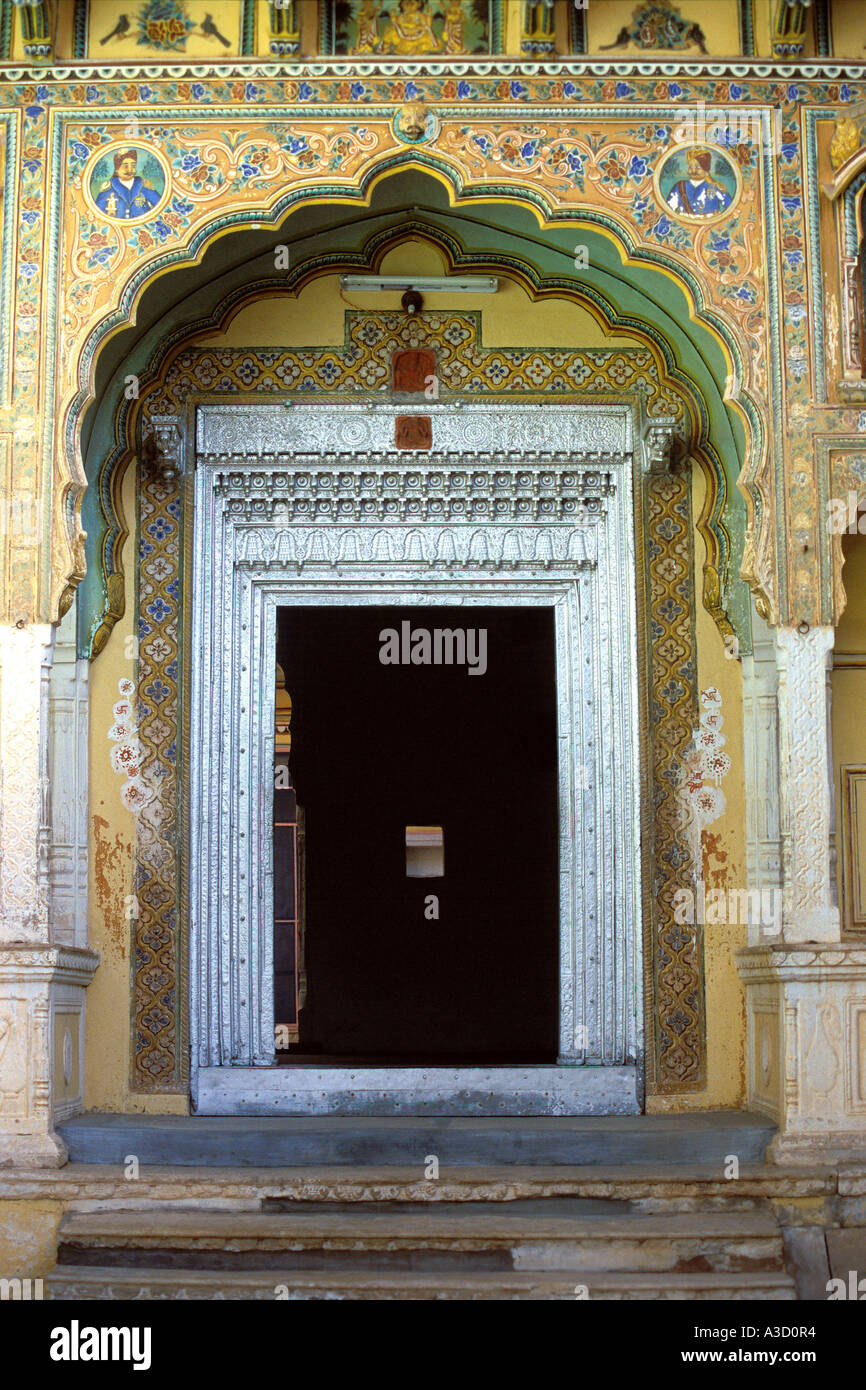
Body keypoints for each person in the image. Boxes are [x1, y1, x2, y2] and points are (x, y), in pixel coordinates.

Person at [95, 149, 161, 220]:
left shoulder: (144, 186)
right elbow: (97, 214)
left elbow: (160, 207)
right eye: (125, 166)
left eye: (133, 166)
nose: (130, 170)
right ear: (117, 168)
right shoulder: (108, 189)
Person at [666, 147, 732, 217]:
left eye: (697, 167)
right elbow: (668, 209)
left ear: (705, 169)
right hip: (684, 224)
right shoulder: (680, 186)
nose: (693, 171)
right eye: (690, 167)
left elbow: (730, 208)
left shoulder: (715, 187)